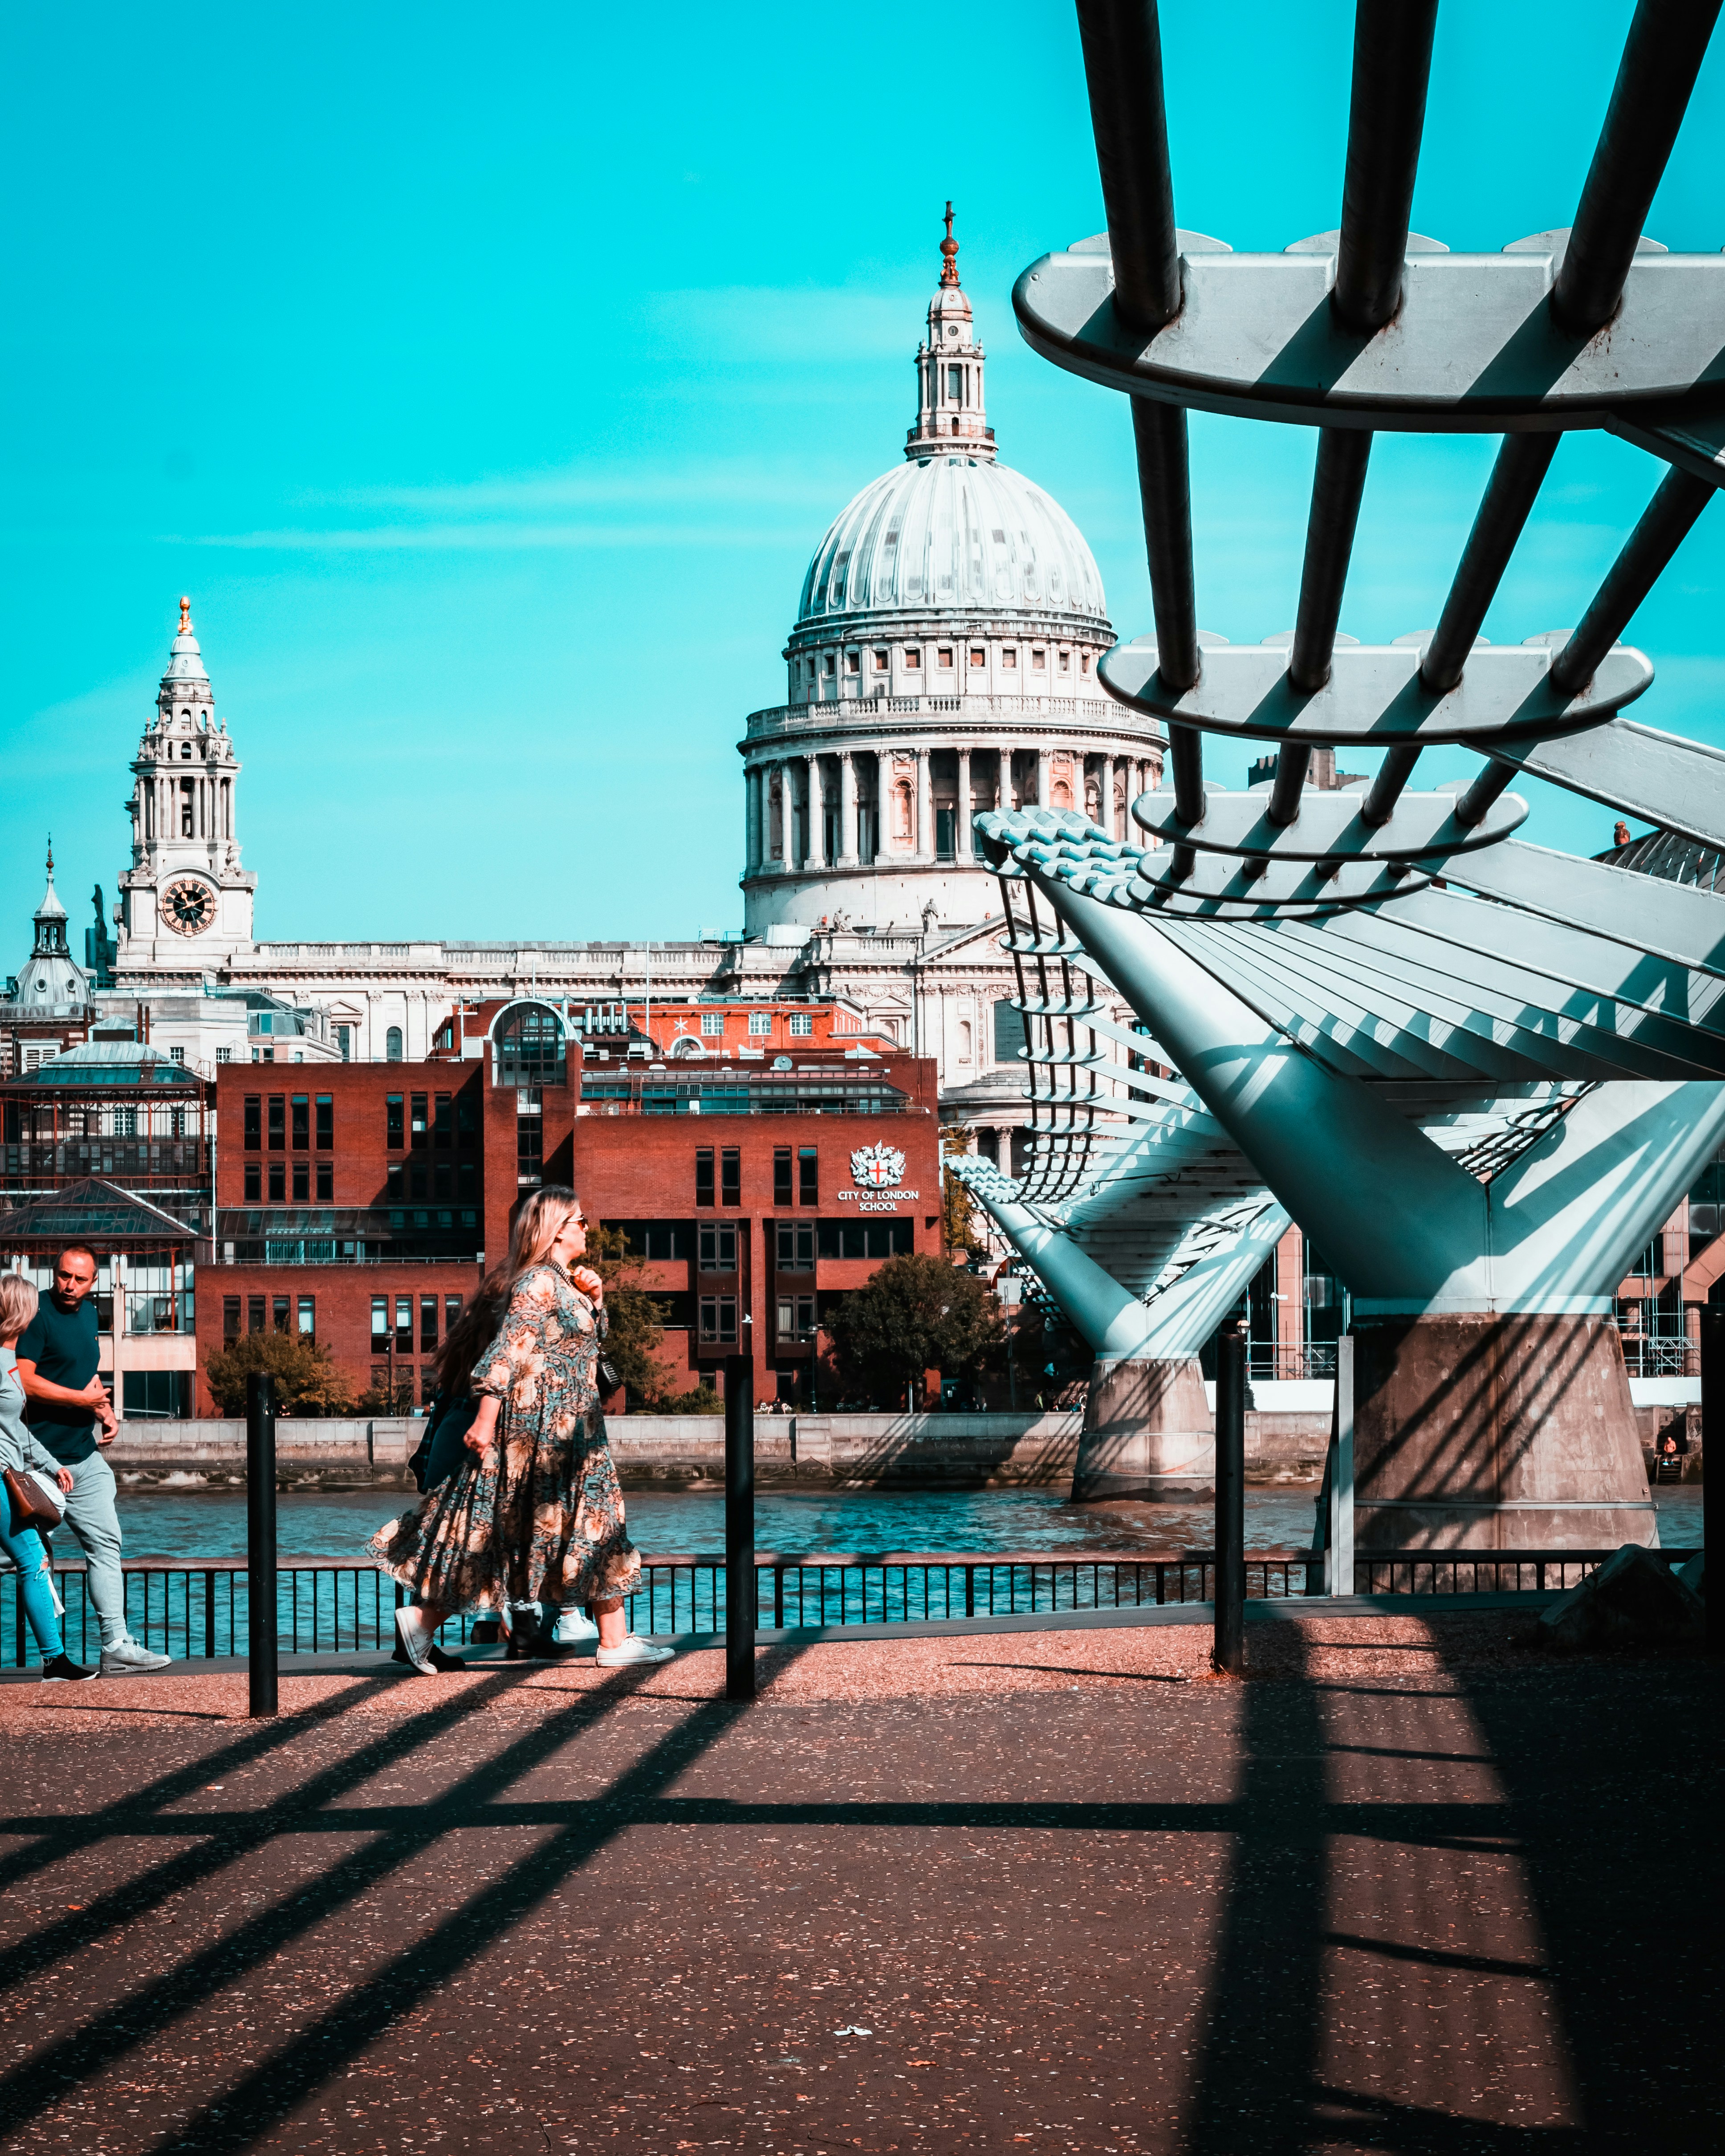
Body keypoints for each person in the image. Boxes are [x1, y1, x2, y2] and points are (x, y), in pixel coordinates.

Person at [371, 1186, 672, 1673]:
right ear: (555, 1229)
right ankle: (611, 1643)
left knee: (559, 1533)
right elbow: (505, 1352)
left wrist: (597, 1300)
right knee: (570, 1528)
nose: (586, 1228)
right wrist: (486, 1420)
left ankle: (424, 1624)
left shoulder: (563, 1282)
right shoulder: (536, 1283)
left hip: (573, 1434)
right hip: (542, 1436)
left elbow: (586, 1351)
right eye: (579, 1220)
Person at [15, 1245, 169, 1676]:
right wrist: (82, 1399)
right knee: (31, 1561)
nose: (70, 1285)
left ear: (94, 1282)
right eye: (64, 1276)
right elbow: (23, 1379)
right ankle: (55, 1658)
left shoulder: (88, 1315)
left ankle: (116, 1645)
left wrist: (102, 1409)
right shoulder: (35, 1313)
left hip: (83, 1458)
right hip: (34, 1464)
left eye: (80, 1279)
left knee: (107, 1546)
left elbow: (83, 1369)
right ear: (55, 1273)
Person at [0, 1273, 98, 1681]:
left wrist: (50, 1462)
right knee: (33, 1559)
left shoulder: (9, 1361)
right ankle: (55, 1661)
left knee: (32, 1559)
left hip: (10, 1472)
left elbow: (17, 1431)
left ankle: (55, 1660)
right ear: (21, 1311)